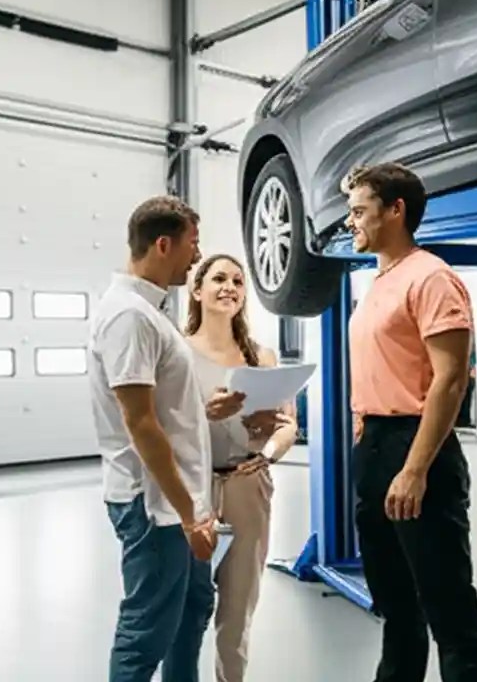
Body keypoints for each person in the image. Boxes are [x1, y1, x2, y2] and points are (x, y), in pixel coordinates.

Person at [342, 162, 477, 682]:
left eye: (359, 210)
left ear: (396, 210)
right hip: (375, 445)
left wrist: (414, 469)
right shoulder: (378, 281)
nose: (350, 221)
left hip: (416, 445)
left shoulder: (431, 277)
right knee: (396, 605)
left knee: (449, 608)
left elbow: (451, 379)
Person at [88, 195, 246, 682]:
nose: (197, 256)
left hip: (181, 501)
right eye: (192, 244)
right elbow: (139, 423)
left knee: (192, 610)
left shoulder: (150, 313)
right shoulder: (129, 317)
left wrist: (204, 411)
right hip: (156, 505)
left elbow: (161, 409)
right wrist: (188, 514)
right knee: (147, 632)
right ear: (163, 244)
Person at [183, 253, 298, 682]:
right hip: (192, 489)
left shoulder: (261, 357)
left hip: (248, 484)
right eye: (218, 279)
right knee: (187, 606)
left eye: (237, 281)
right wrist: (206, 414)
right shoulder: (177, 351)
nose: (229, 287)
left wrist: (268, 453)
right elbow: (163, 427)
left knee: (238, 610)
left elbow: (287, 426)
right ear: (197, 290)